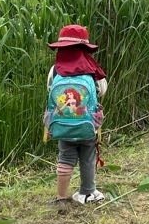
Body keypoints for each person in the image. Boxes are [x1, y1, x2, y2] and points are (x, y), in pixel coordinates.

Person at [44, 24, 108, 204]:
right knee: (88, 156)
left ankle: (61, 196)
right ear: (84, 48)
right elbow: (102, 91)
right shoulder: (93, 70)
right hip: (88, 124)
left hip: (63, 123)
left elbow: (50, 91)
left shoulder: (55, 70)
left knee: (65, 157)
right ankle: (87, 191)